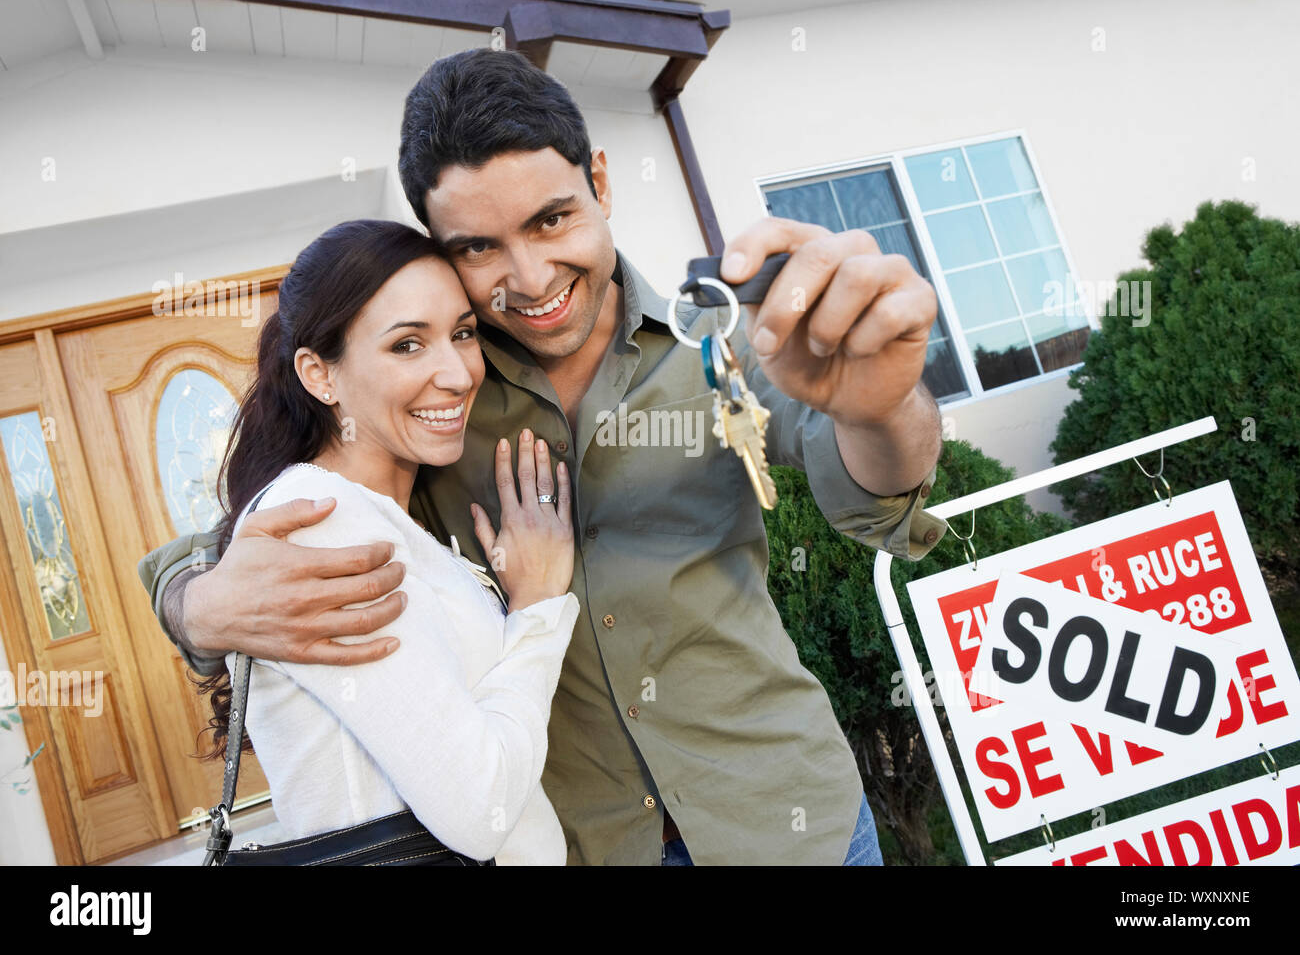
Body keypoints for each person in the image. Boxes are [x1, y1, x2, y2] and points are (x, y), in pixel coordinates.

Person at [138, 49, 950, 866]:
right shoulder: (432, 401)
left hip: (789, 822)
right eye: (480, 246)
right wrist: (200, 609)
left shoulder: (723, 352)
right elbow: (244, 538)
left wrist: (884, 406)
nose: (529, 278)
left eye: (551, 219)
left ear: (599, 180)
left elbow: (875, 498)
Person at [196, 219, 579, 865]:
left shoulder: (378, 515)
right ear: (320, 375)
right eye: (407, 346)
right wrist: (539, 608)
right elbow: (479, 807)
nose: (457, 374)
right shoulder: (319, 524)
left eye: (462, 334)